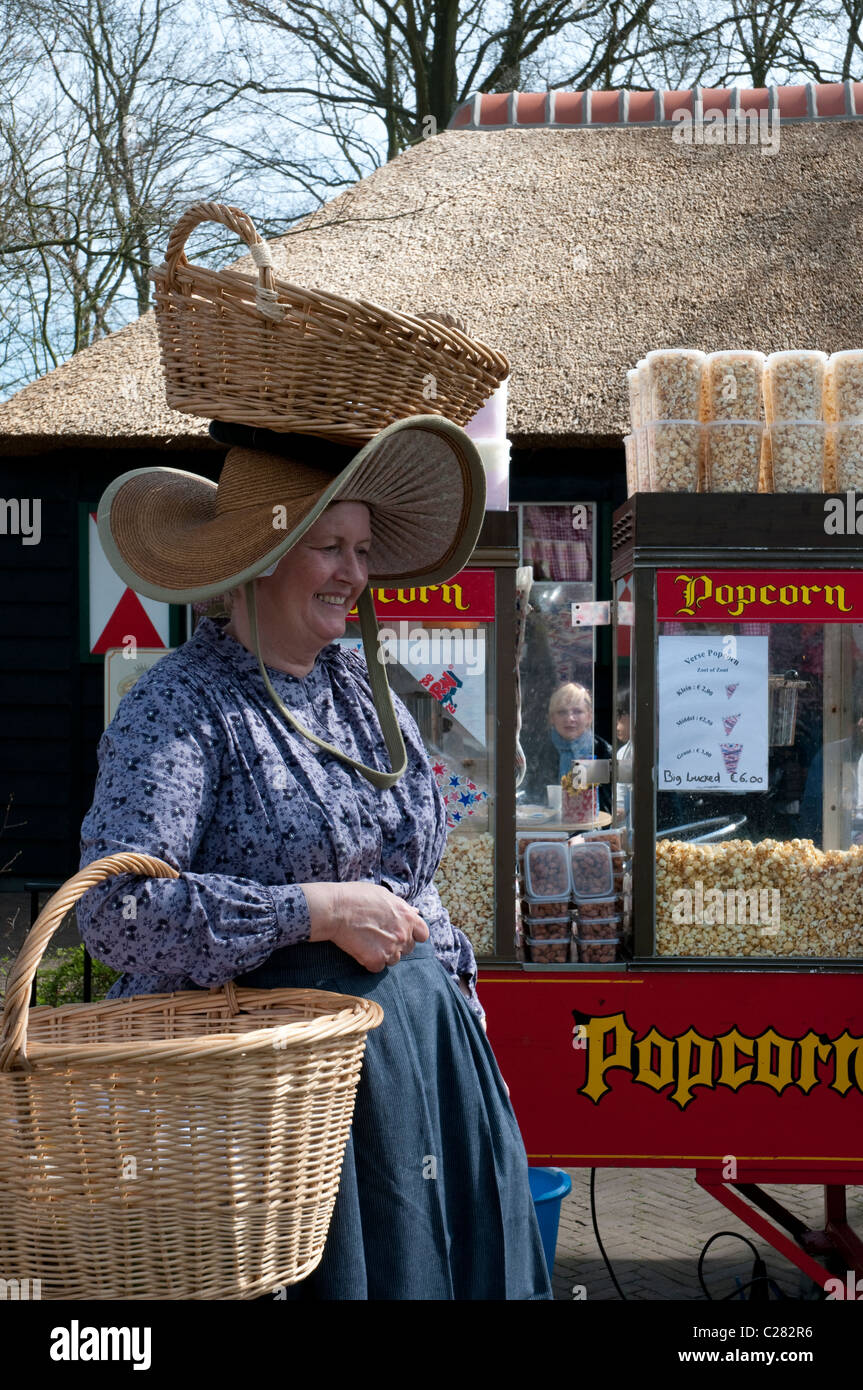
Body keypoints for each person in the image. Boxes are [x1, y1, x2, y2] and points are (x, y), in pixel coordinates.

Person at [77, 415, 552, 1301]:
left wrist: (464, 1023)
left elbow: (418, 889)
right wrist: (314, 911)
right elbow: (118, 914)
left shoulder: (364, 693)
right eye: (330, 547)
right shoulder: (180, 707)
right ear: (261, 558)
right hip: (279, 1120)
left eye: (363, 550)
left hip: (426, 1068)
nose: (356, 576)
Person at [536, 682, 612, 815]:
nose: (570, 718)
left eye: (577, 711)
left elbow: (606, 808)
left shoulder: (601, 751)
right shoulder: (539, 752)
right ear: (552, 718)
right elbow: (532, 801)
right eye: (562, 712)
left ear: (589, 717)